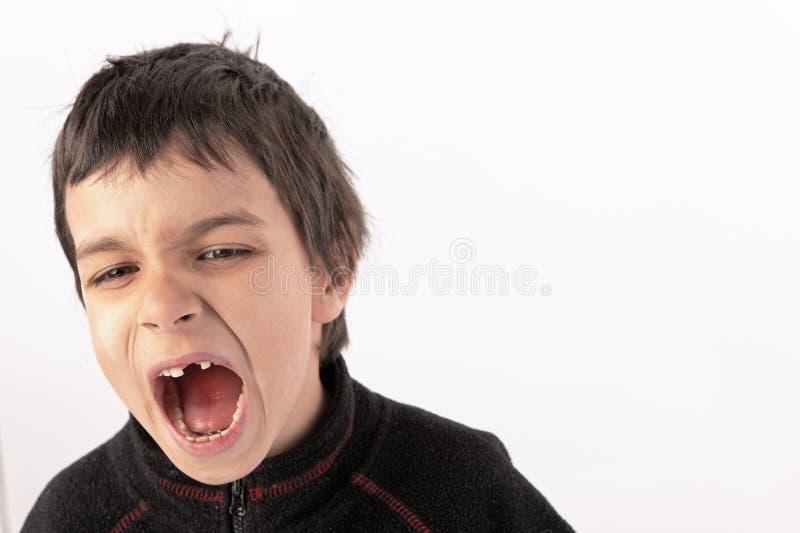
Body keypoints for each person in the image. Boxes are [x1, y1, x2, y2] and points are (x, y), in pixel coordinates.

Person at [21, 36, 574, 532]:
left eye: (221, 252)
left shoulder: (461, 490)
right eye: (116, 271)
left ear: (330, 270)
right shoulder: (71, 516)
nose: (163, 305)